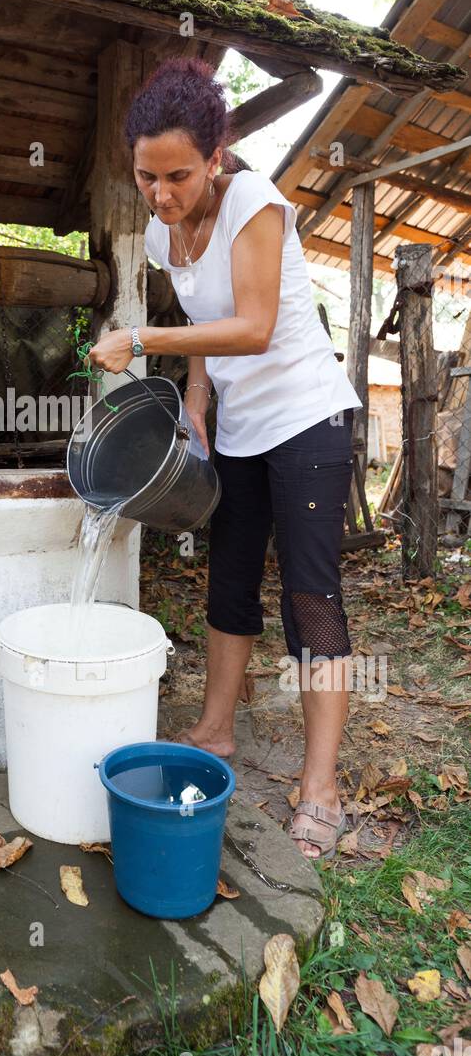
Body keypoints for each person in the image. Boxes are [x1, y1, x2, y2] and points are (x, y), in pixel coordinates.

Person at [87, 55, 363, 861]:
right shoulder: (166, 232)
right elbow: (211, 334)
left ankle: (320, 786)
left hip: (308, 420)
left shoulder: (256, 203)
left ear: (215, 158)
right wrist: (198, 404)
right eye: (146, 177)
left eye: (178, 175)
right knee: (229, 579)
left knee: (309, 598)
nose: (162, 194)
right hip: (239, 428)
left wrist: (141, 339)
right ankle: (216, 730)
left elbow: (252, 326)